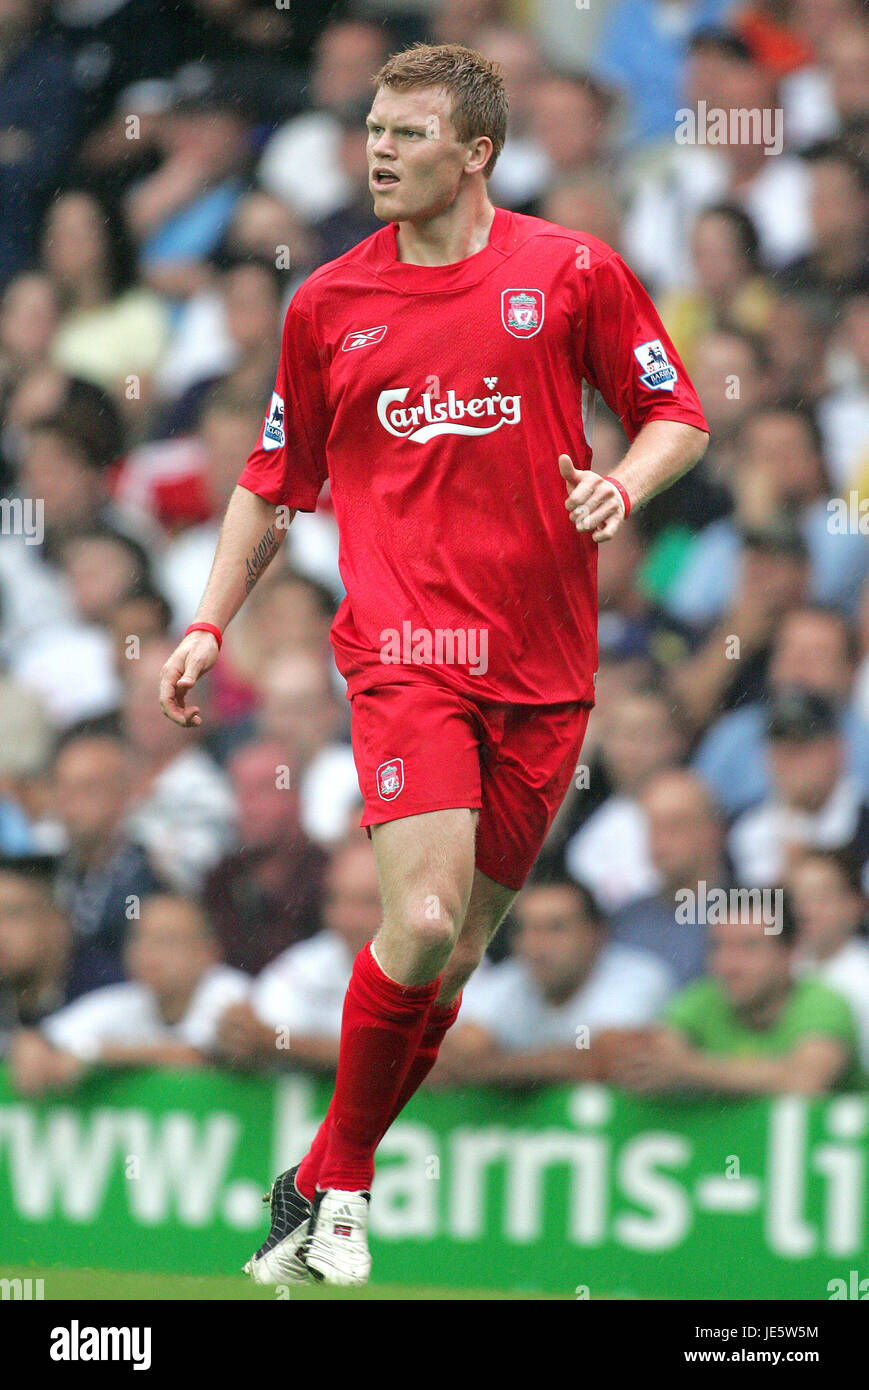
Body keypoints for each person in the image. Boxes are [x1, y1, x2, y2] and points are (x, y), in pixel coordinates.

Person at [159, 42, 709, 1286]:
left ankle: (310, 1178)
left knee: (450, 955)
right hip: (406, 654)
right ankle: (345, 1188)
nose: (377, 149)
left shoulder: (569, 272)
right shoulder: (327, 306)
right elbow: (269, 485)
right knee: (412, 918)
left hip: (547, 670)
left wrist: (620, 484)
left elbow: (676, 413)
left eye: (407, 133)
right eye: (370, 128)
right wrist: (204, 623)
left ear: (476, 152)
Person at [611, 896, 865, 1095]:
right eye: (718, 947)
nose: (728, 965)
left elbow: (804, 1081)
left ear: (791, 951)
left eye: (749, 947)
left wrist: (689, 1070)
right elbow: (654, 1063)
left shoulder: (824, 1003)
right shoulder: (701, 999)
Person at [438, 875, 674, 1086]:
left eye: (555, 928)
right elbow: (458, 1052)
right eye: (525, 929)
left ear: (597, 934)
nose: (535, 946)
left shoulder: (639, 977)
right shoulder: (512, 980)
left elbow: (606, 1059)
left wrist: (487, 1069)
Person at [8, 892, 249, 1097]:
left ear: (208, 953)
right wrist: (34, 1045)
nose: (148, 952)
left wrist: (94, 1056)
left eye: (166, 941)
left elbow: (198, 1057)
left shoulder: (230, 991)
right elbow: (49, 1038)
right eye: (140, 939)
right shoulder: (128, 998)